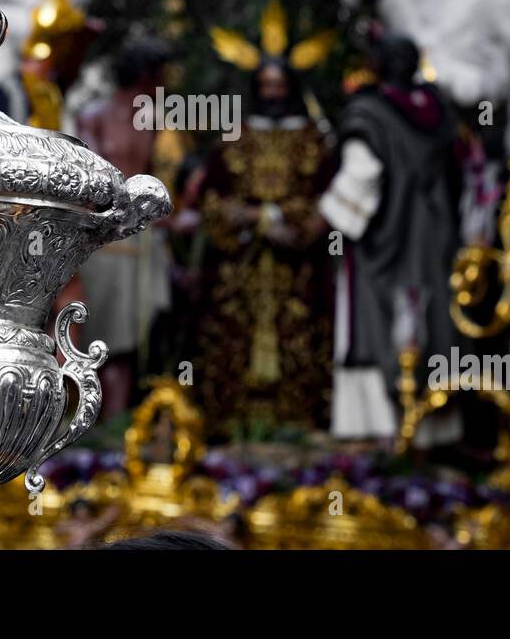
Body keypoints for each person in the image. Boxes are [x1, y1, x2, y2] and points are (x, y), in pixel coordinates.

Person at [318, 33, 460, 443]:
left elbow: (361, 176)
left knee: (379, 320)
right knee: (431, 317)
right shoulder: (439, 110)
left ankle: (382, 431)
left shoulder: (370, 114)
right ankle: (432, 430)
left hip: (384, 241)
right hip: (433, 237)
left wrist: (325, 218)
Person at [195, 54, 334, 438]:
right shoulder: (233, 138)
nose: (273, 94)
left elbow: (326, 199)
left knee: (300, 334)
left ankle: (298, 421)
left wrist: (288, 222)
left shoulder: (314, 141)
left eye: (279, 86)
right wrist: (252, 219)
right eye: (266, 86)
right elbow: (210, 199)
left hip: (296, 263)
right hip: (241, 261)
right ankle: (231, 422)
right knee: (233, 334)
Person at [73, 38, 174, 416]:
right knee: (100, 332)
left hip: (142, 237)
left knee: (133, 335)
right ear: (145, 77)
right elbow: (92, 175)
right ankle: (88, 420)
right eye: (159, 76)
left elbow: (165, 175)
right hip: (105, 237)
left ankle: (118, 423)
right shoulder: (95, 115)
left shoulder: (155, 121)